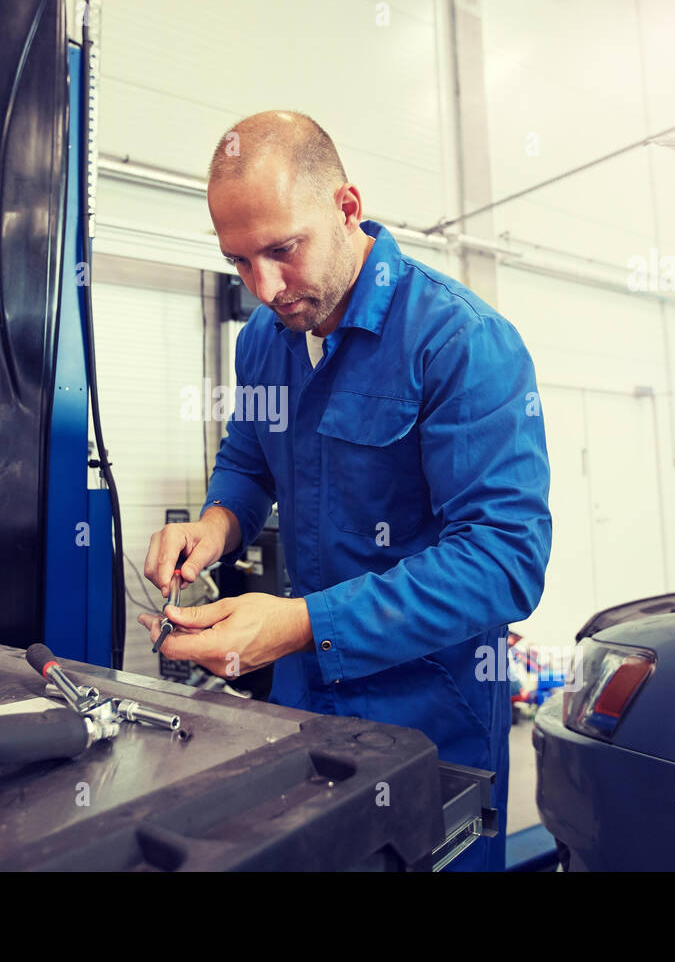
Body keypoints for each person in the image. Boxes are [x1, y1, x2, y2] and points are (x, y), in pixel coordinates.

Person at [140, 110, 552, 870]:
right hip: (304, 707)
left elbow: (504, 562)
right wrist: (218, 523)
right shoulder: (264, 341)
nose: (263, 287)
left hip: (430, 717)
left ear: (347, 208)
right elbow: (250, 459)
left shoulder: (461, 342)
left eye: (281, 250)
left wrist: (300, 624)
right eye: (238, 262)